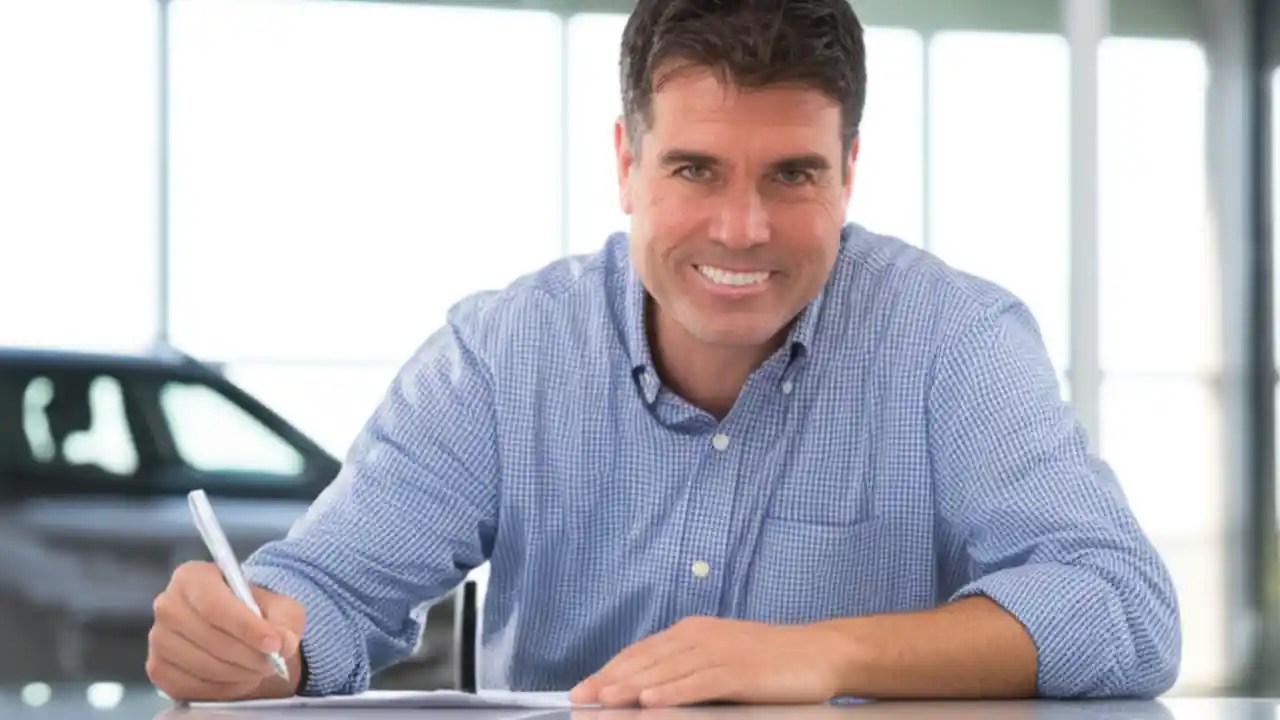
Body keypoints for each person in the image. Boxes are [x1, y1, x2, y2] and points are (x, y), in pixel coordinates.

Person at [145, 0, 1181, 707]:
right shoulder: (503, 355)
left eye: (791, 176)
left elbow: (1121, 608)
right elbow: (331, 594)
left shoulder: (951, 344)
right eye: (694, 168)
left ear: (849, 171)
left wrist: (818, 656)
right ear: (625, 163)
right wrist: (258, 643)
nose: (741, 229)